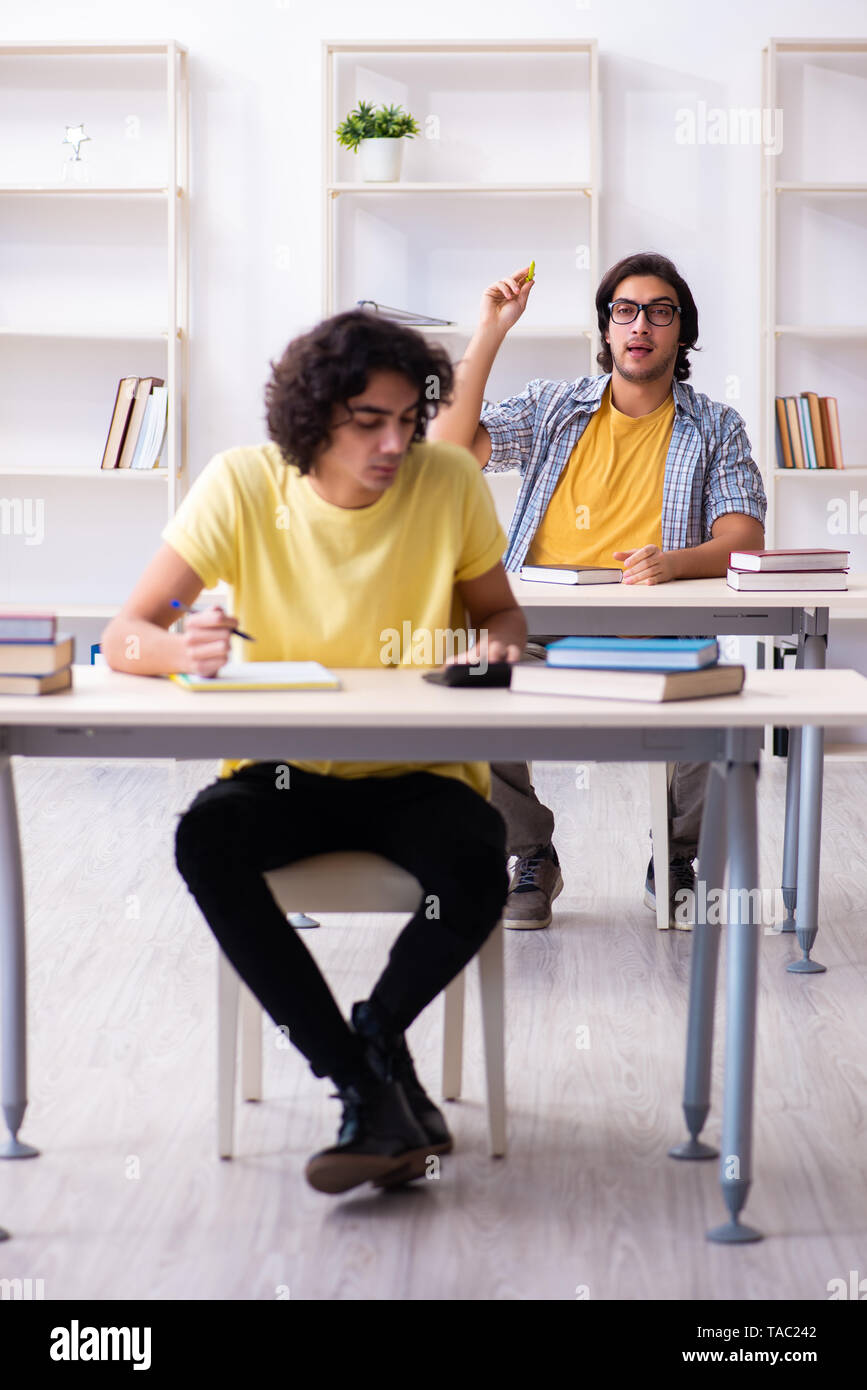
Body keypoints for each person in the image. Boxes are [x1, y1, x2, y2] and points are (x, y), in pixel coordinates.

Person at [100, 309, 526, 1196]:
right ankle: (366, 1082)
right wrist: (186, 651)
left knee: (479, 857)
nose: (394, 443)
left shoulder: (448, 482)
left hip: (419, 773)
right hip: (285, 770)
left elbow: (500, 615)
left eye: (409, 420)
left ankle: (372, 1042)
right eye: (369, 421)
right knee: (205, 840)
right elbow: (125, 634)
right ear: (312, 419)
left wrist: (494, 649)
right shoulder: (245, 484)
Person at [428, 251, 767, 930]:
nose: (640, 324)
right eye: (624, 310)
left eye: (659, 312)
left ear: (681, 332)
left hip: (659, 629)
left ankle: (673, 857)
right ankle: (529, 855)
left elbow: (743, 539)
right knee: (464, 677)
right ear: (607, 330)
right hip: (540, 623)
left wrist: (675, 563)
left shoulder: (715, 425)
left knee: (725, 689)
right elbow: (445, 447)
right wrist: (490, 331)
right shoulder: (554, 407)